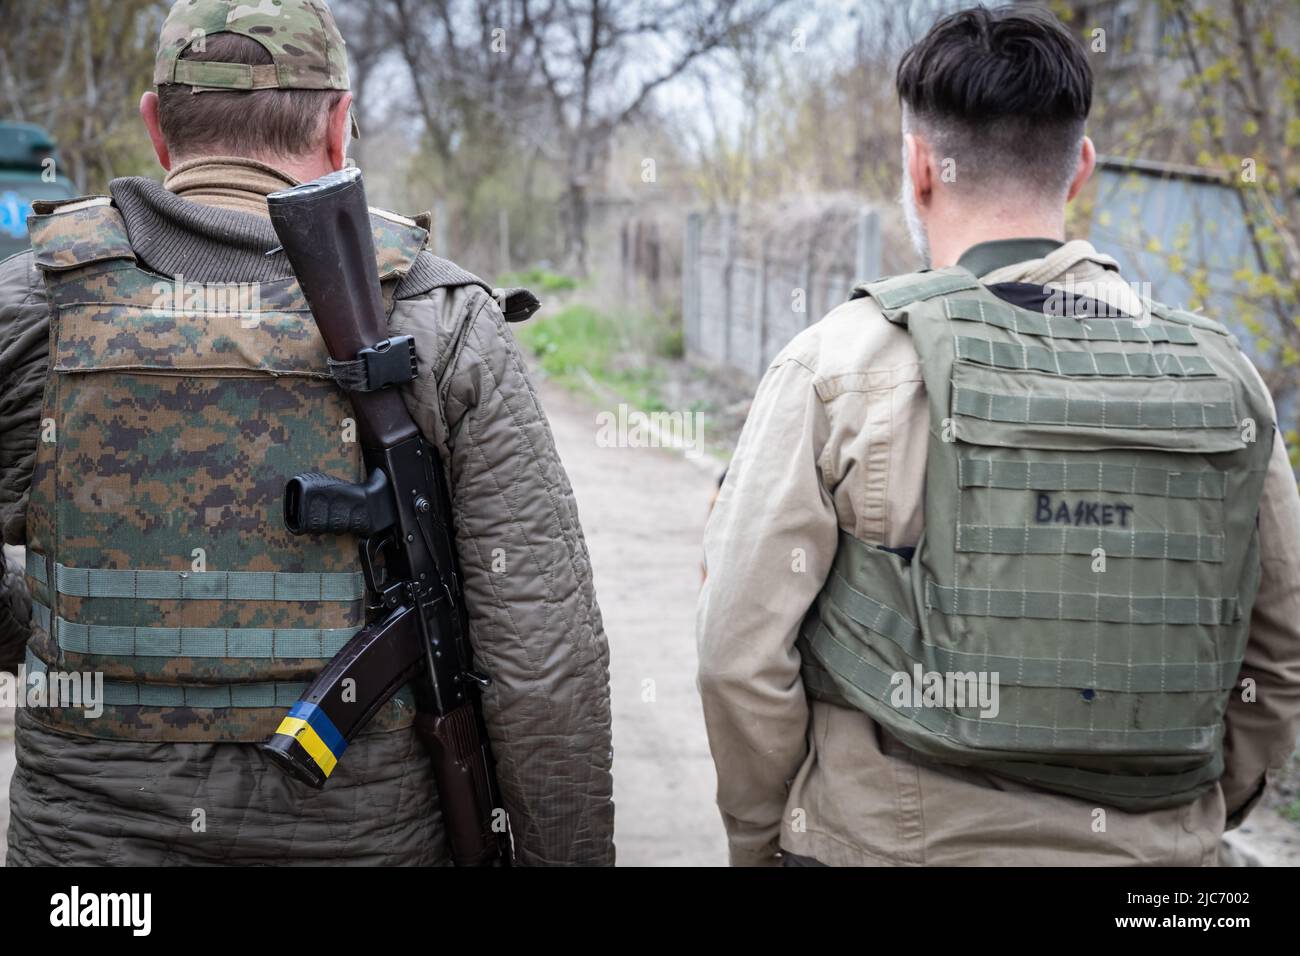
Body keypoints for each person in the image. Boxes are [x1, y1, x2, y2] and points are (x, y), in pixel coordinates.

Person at [0, 0, 613, 866]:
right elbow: (547, 671)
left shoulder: (30, 307)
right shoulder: (441, 319)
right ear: (338, 126)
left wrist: (64, 625)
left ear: (156, 127)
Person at [697, 4, 1300, 866]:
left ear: (919, 169)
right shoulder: (1224, 376)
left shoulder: (837, 363)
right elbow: (1278, 656)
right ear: (1080, 167)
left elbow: (737, 657)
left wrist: (767, 837)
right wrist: (1189, 815)